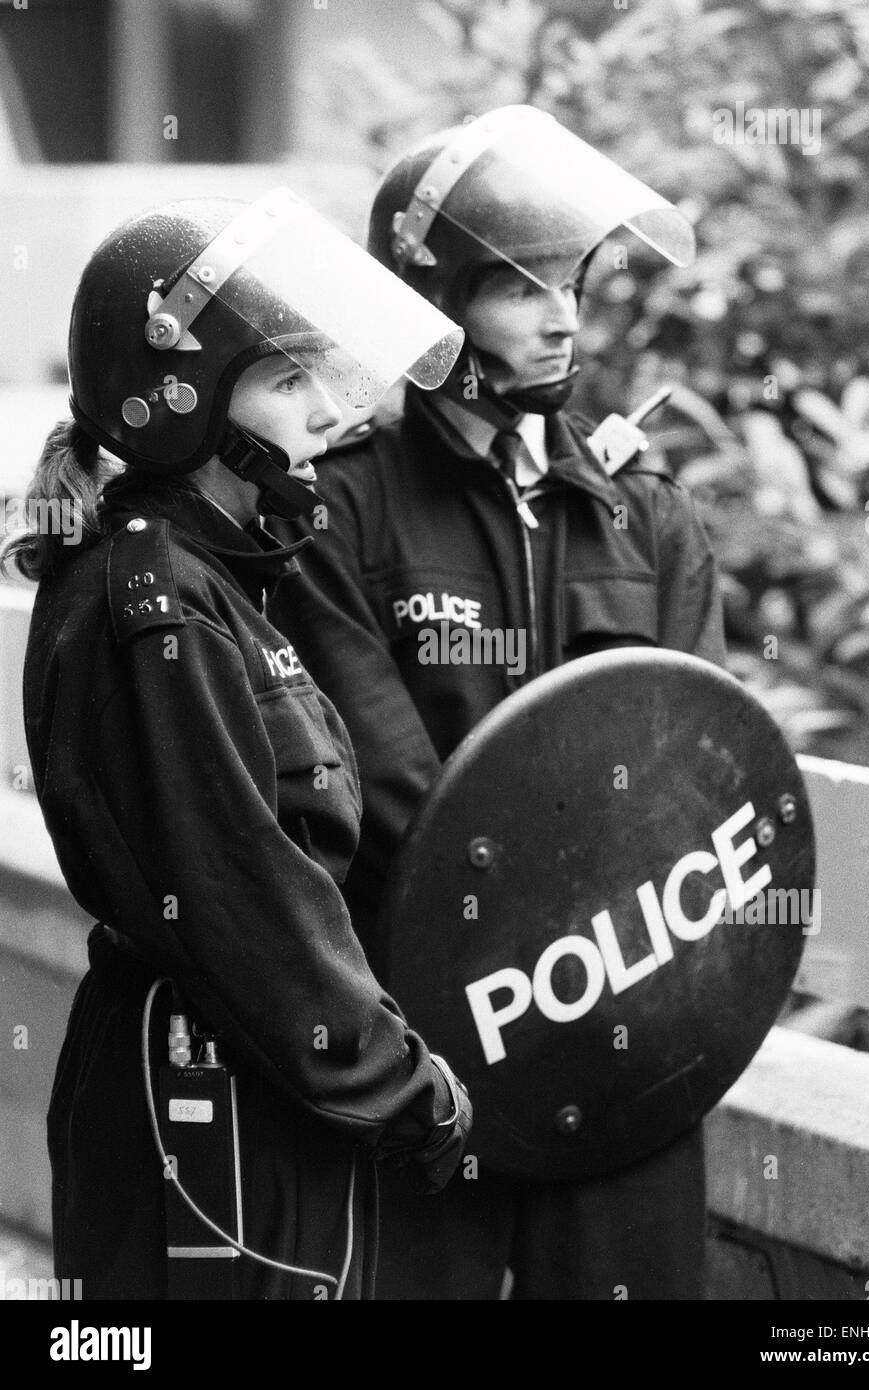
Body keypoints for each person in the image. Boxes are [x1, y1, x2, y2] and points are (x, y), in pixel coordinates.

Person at [267, 107, 726, 1301]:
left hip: (625, 1042)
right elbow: (386, 786)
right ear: (431, 302)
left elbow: (704, 781)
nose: (564, 314)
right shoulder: (342, 511)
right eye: (520, 286)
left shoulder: (647, 515)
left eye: (571, 279)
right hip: (429, 1064)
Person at [3, 188, 472, 1301]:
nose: (327, 416)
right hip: (197, 1105)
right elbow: (240, 891)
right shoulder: (153, 602)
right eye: (289, 378)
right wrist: (407, 1087)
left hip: (254, 1096)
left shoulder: (211, 580)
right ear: (181, 401)